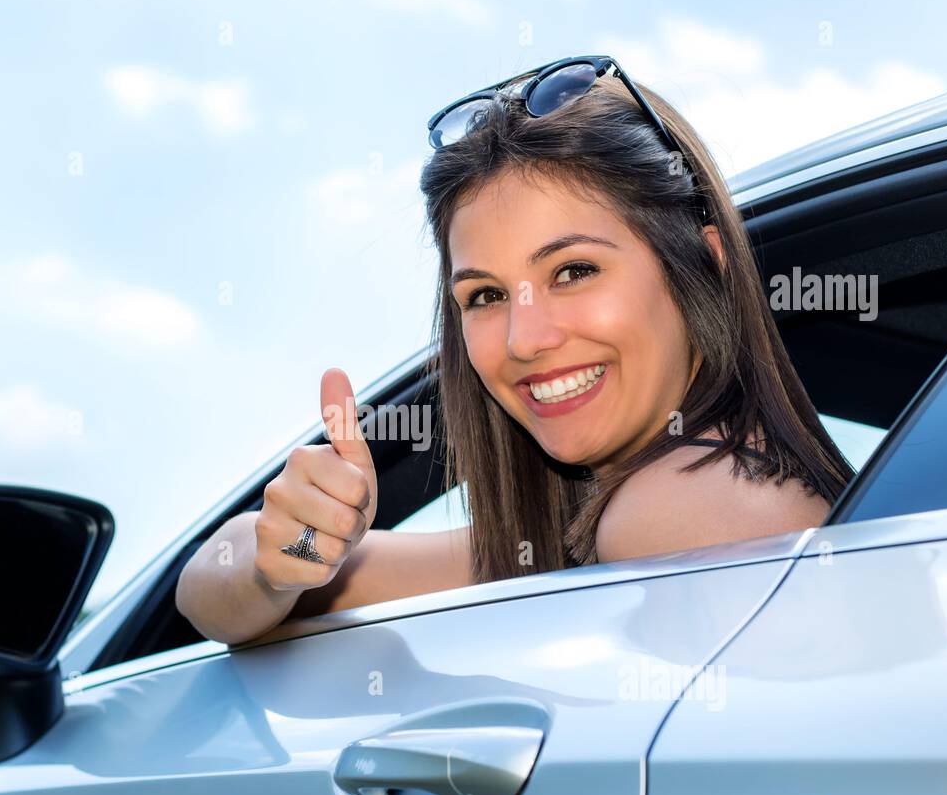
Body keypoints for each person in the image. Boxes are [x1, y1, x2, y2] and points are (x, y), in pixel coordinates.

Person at [176, 55, 853, 645]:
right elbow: (211, 587)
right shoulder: (601, 520)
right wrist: (290, 551)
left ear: (701, 267)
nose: (524, 339)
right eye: (486, 296)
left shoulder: (685, 511)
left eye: (573, 271)